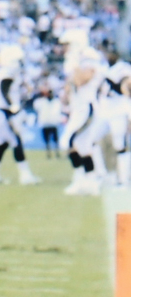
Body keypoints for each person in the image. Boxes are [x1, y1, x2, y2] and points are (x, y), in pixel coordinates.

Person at [0, 45, 42, 185]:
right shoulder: (8, 72)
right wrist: (12, 106)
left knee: (2, 144)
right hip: (3, 113)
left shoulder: (3, 71)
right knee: (16, 141)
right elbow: (5, 89)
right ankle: (25, 175)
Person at [60, 45, 109, 196]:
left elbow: (80, 81)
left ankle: (85, 179)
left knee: (68, 142)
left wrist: (74, 66)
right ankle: (88, 180)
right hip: (79, 108)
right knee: (82, 146)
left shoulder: (93, 67)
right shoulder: (84, 67)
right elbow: (71, 87)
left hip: (87, 108)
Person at [98, 49, 131, 188]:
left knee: (120, 145)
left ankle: (124, 179)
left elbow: (126, 84)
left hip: (119, 110)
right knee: (92, 141)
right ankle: (102, 174)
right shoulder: (104, 68)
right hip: (104, 110)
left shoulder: (123, 67)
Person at [32, 86, 63, 159]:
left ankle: (57, 153)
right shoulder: (41, 101)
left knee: (55, 140)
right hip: (45, 123)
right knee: (47, 141)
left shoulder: (56, 101)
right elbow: (35, 105)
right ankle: (49, 154)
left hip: (53, 123)